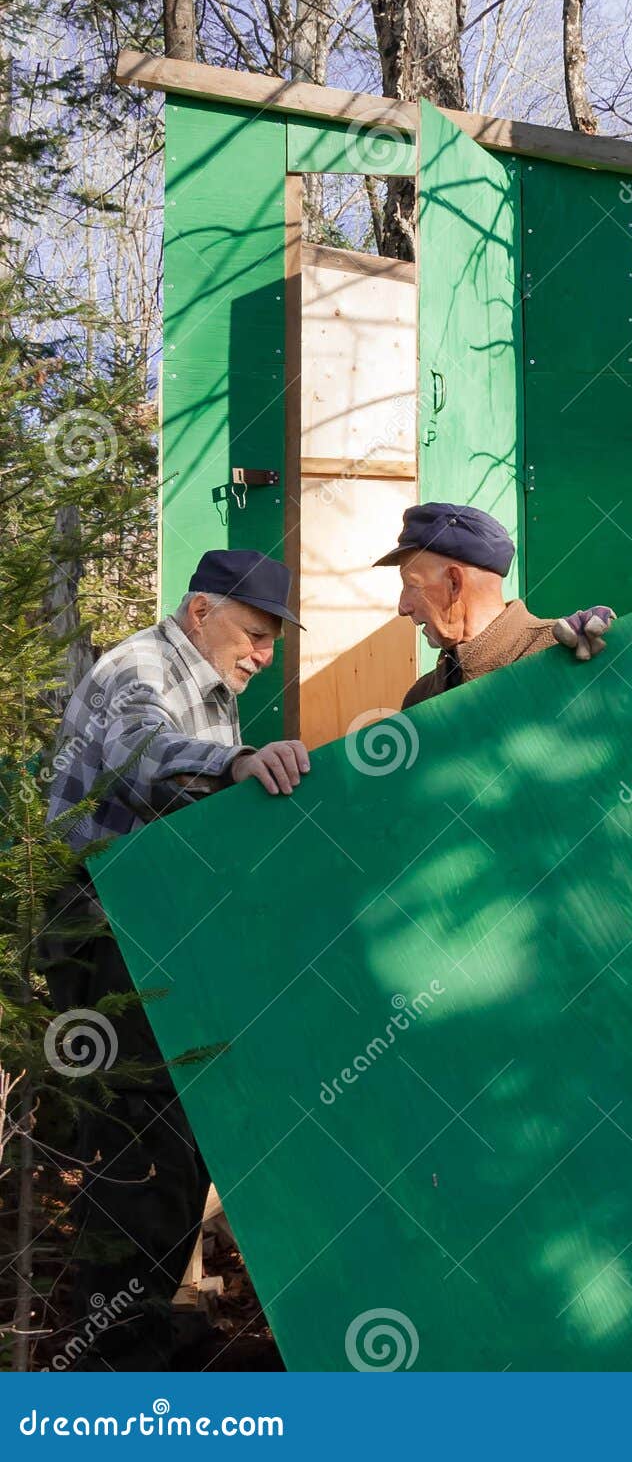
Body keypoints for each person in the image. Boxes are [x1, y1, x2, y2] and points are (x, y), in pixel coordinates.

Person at [41, 548, 309, 1369]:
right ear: (201, 612)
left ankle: (141, 1323)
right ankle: (107, 1361)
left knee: (178, 1140)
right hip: (102, 930)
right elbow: (138, 752)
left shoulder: (214, 692)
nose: (263, 656)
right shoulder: (143, 668)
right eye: (254, 634)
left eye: (272, 643)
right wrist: (232, 763)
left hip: (155, 930)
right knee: (141, 1145)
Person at [373, 502, 615, 706]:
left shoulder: (562, 653)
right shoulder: (419, 699)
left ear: (454, 582)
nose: (402, 608)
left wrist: (614, 655)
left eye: (412, 586)